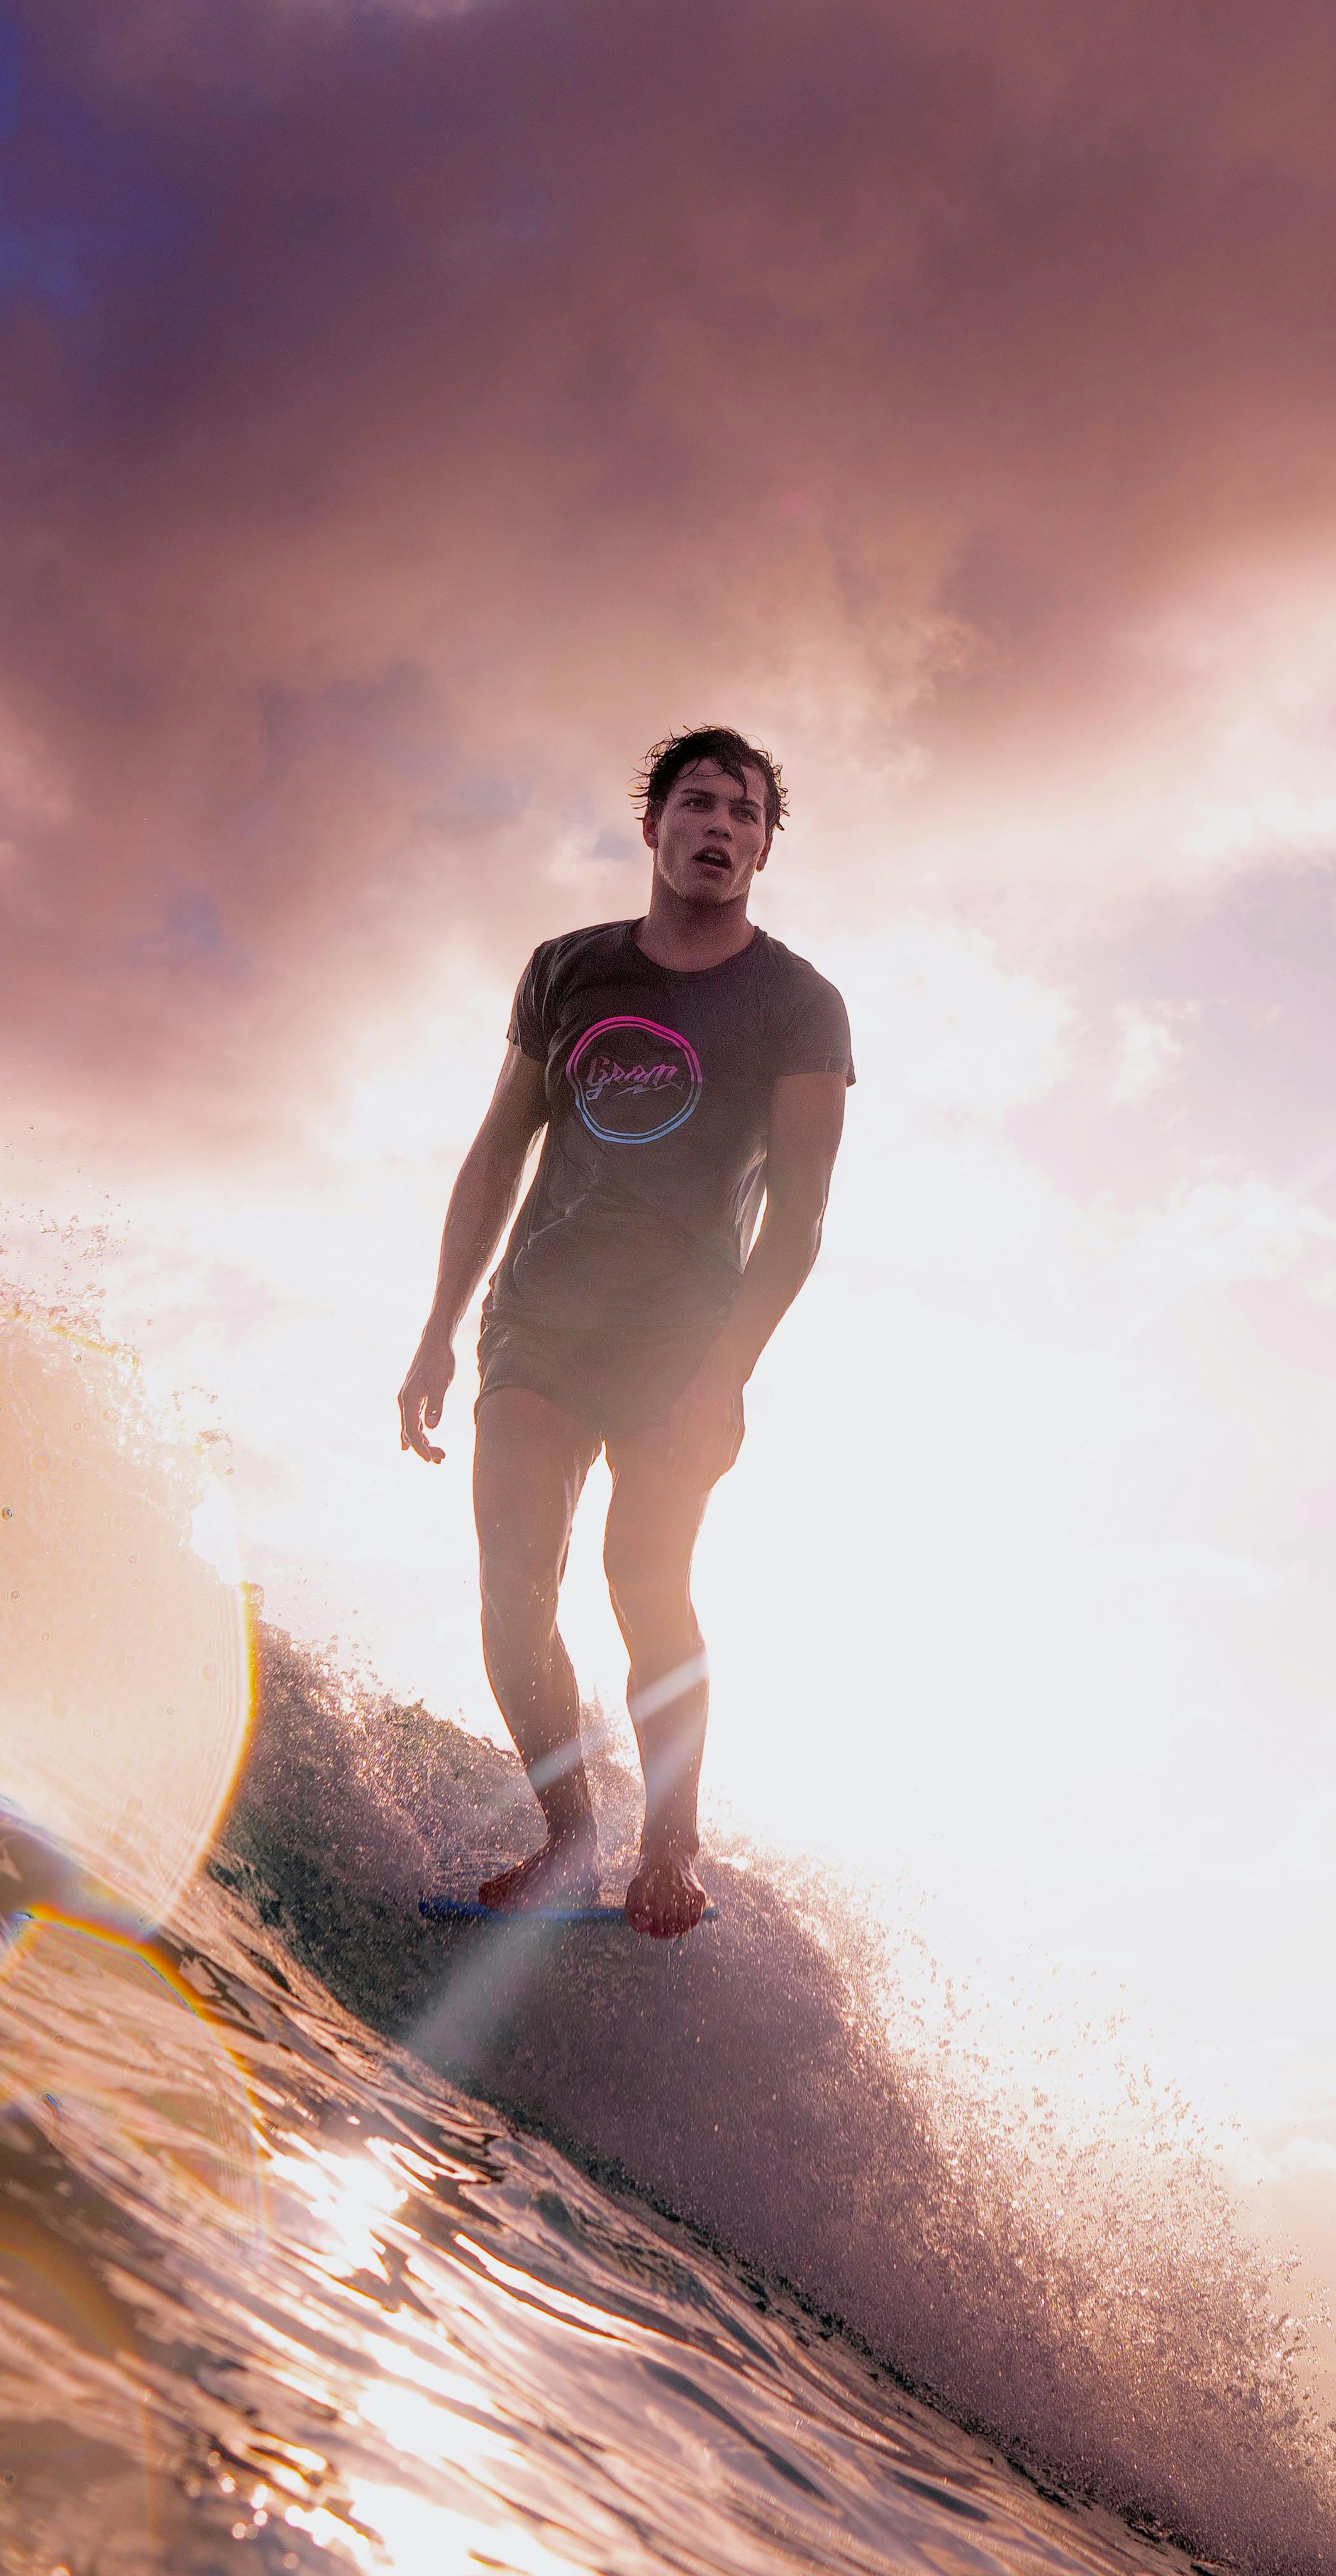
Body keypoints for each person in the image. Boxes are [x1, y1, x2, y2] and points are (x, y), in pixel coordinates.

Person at [396, 727, 853, 1937]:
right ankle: (567, 1837)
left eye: (744, 813)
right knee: (512, 1585)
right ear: (651, 826)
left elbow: (799, 1223)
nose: (719, 826)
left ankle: (669, 1846)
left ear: (763, 845)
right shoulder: (568, 970)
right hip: (539, 1318)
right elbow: (500, 1151)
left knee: (644, 1586)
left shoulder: (798, 1004)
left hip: (682, 1339)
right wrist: (439, 1328)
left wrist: (725, 1374)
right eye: (696, 803)